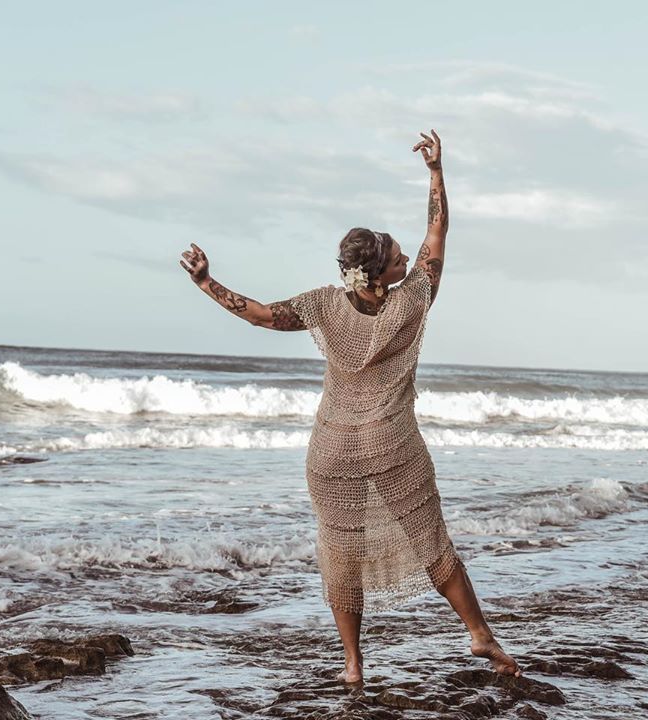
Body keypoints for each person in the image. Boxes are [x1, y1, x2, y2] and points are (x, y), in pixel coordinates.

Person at [179, 129, 521, 684]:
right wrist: (436, 172)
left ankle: (353, 666)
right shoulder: (412, 300)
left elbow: (260, 315)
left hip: (332, 448)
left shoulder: (321, 304)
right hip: (391, 441)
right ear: (383, 272)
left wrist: (205, 282)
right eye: (394, 254)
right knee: (432, 541)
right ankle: (479, 634)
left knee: (342, 555)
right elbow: (437, 233)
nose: (404, 254)